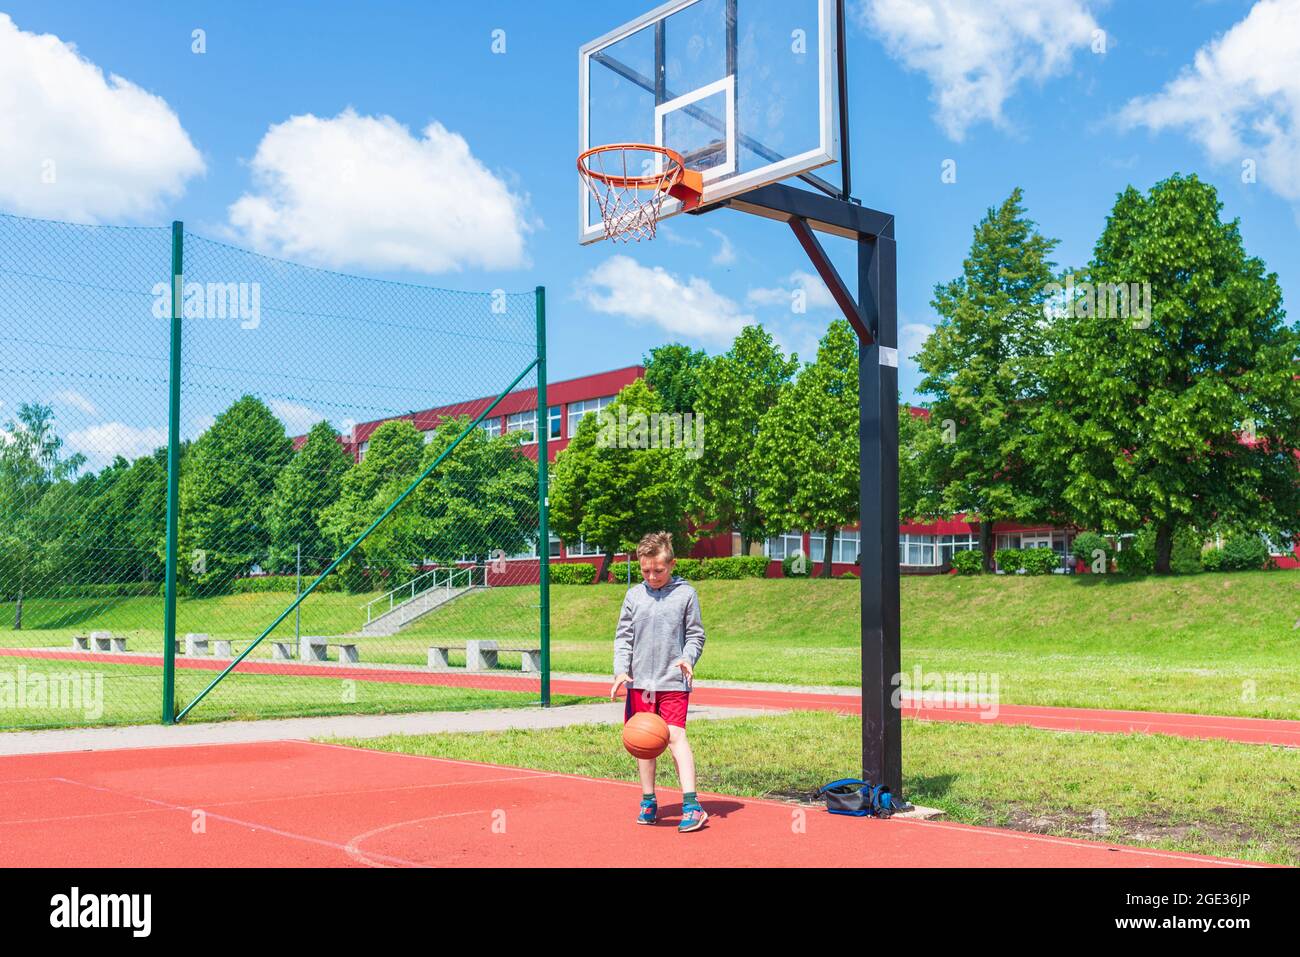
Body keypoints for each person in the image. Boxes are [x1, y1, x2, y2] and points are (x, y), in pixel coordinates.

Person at [610, 530, 707, 832]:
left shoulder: (685, 594)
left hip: (672, 683)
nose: (651, 576)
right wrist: (620, 671)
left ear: (672, 564)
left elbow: (696, 634)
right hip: (640, 684)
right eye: (645, 570)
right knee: (645, 742)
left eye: (658, 570)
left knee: (676, 736)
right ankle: (649, 799)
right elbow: (623, 637)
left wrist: (688, 659)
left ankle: (691, 804)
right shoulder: (634, 596)